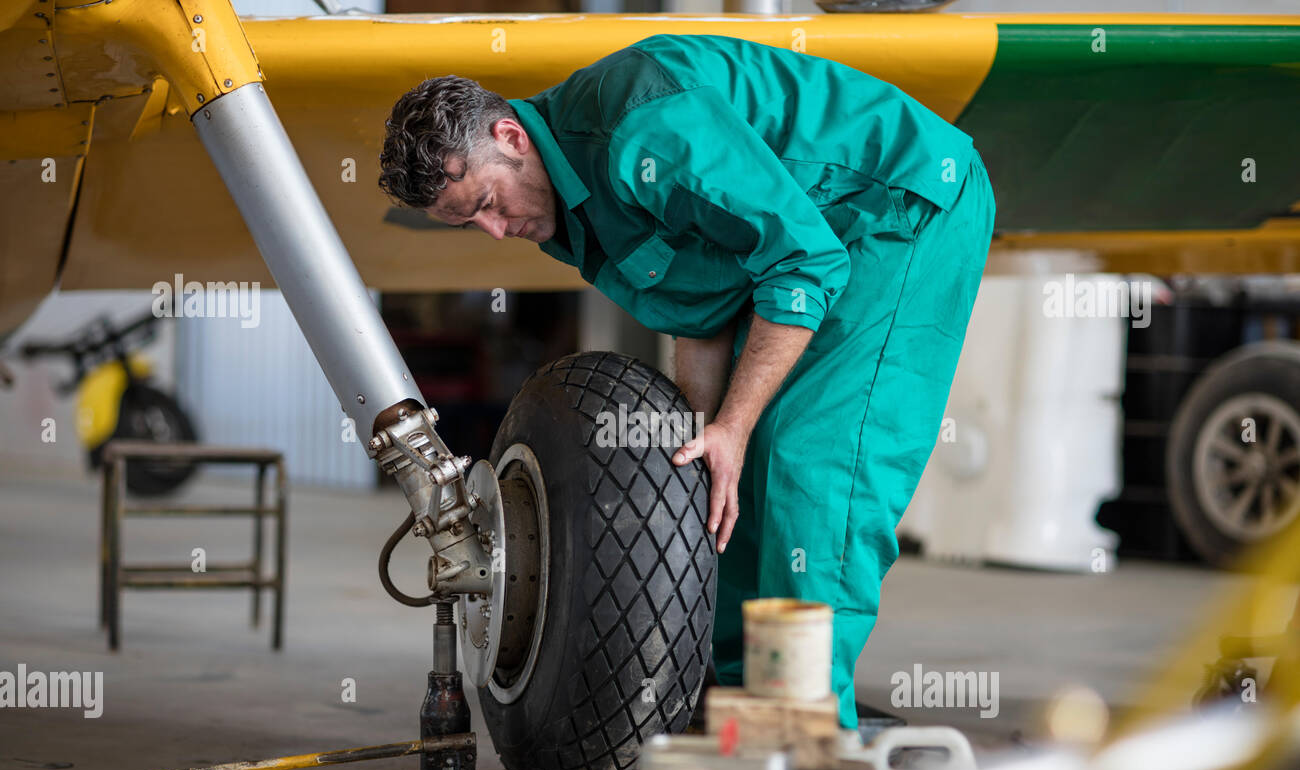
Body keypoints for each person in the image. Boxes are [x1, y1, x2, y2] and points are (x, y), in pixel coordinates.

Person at [378, 33, 996, 729]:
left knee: (813, 459)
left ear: (511, 135)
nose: (494, 230)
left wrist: (734, 424)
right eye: (470, 224)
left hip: (900, 204)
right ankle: (734, 698)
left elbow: (802, 263)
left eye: (488, 202)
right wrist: (709, 442)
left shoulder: (643, 134)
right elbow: (701, 311)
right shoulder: (569, 207)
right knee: (722, 481)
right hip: (818, 233)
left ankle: (807, 726)